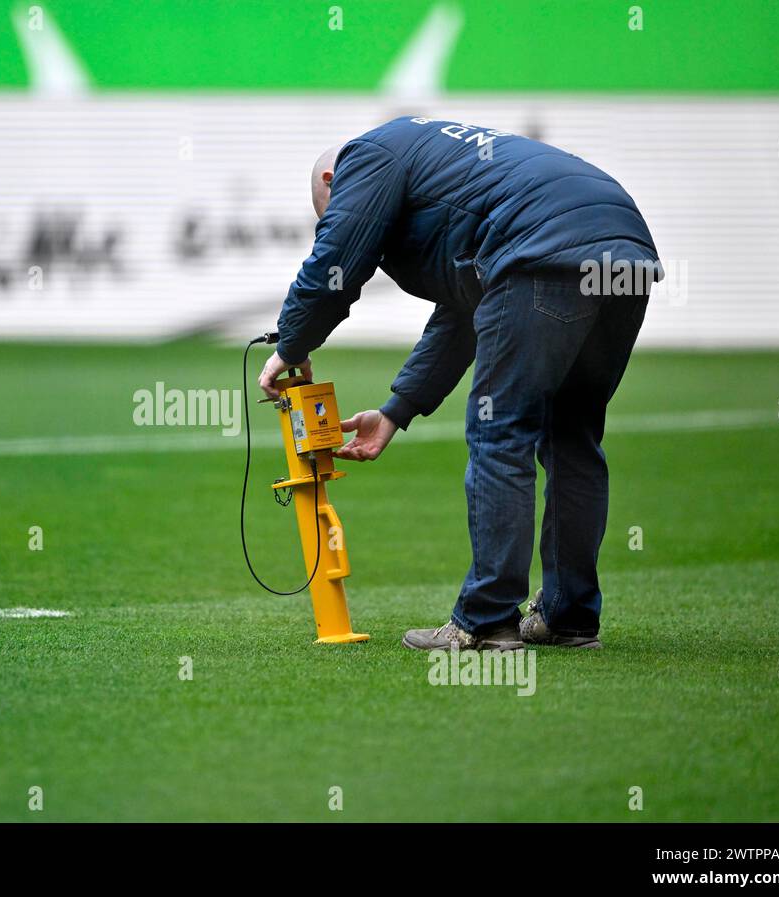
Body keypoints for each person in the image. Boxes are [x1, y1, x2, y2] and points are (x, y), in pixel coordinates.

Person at [257, 116, 661, 651]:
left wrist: (290, 345)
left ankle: (487, 618)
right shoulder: (447, 171)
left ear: (333, 180)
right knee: (572, 436)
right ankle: (569, 616)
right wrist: (397, 410)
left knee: (501, 431)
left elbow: (336, 260)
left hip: (544, 250)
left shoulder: (366, 155)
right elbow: (468, 310)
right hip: (625, 255)